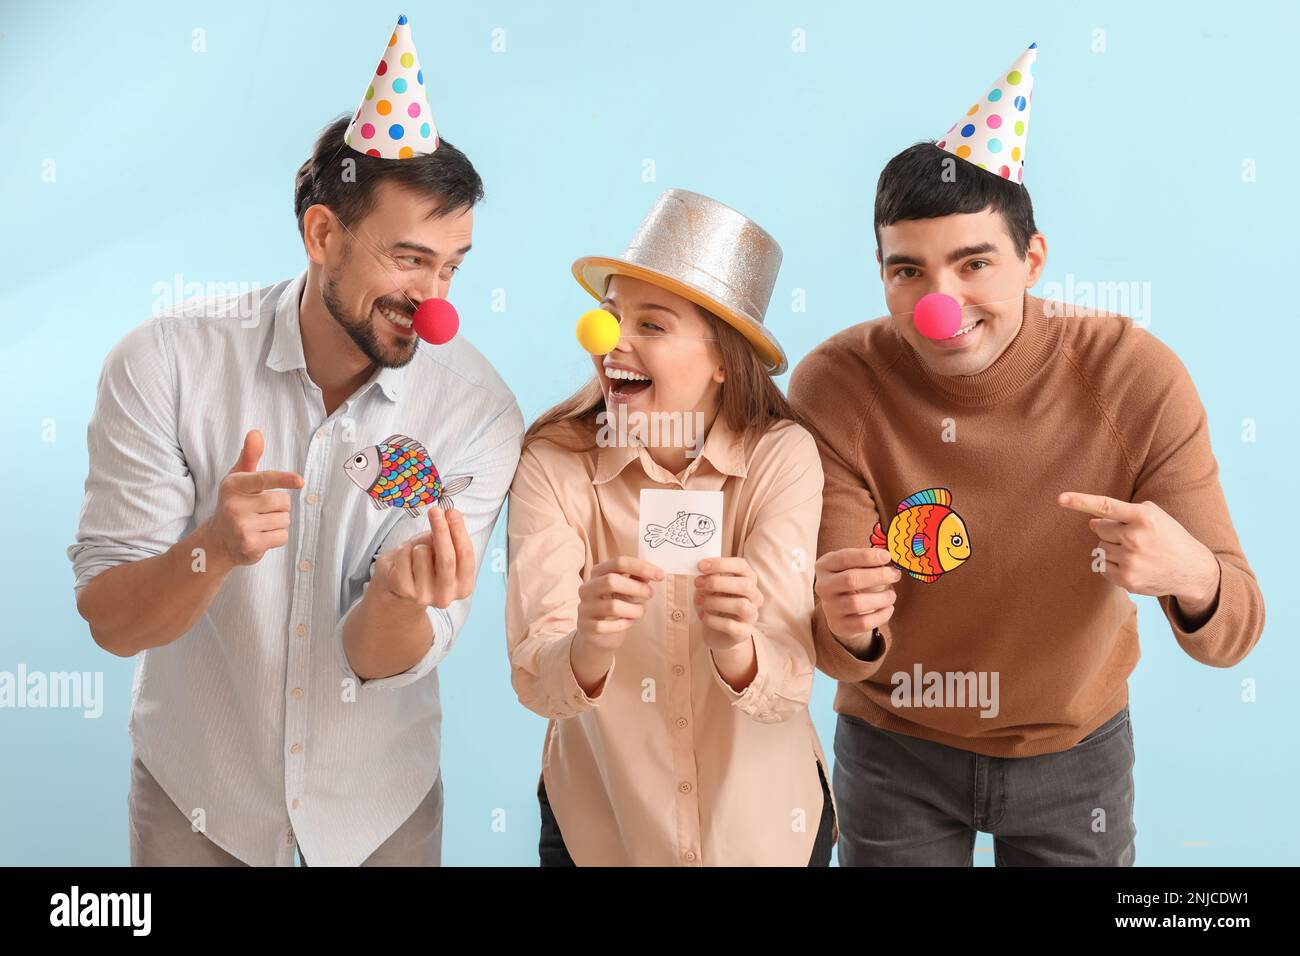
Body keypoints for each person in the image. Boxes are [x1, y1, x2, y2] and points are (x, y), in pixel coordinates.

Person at [789, 44, 1265, 866]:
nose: (941, 305)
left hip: (1076, 753)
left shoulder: (1134, 377)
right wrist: (844, 620)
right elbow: (834, 652)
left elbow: (1233, 634)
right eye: (909, 271)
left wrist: (1191, 573)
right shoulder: (836, 384)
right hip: (894, 745)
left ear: (1032, 260)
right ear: (880, 272)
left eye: (974, 263)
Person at [67, 16, 524, 866]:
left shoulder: (477, 414)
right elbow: (111, 622)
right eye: (408, 259)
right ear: (322, 236)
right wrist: (209, 550)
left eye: (452, 267)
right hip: (194, 806)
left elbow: (376, 654)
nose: (434, 302)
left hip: (379, 818)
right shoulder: (162, 364)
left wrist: (396, 598)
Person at [505, 189, 835, 866]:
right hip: (603, 828)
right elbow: (537, 681)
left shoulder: (782, 457)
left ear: (723, 360)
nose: (611, 342)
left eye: (651, 326)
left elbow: (789, 682)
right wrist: (587, 642)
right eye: (610, 316)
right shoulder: (556, 461)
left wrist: (736, 646)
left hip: (765, 832)